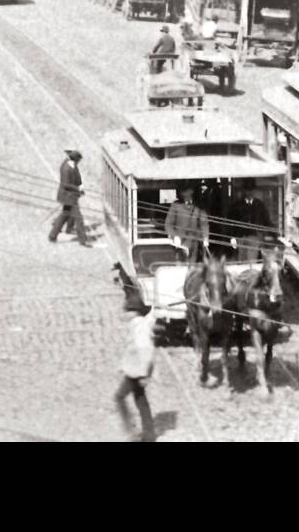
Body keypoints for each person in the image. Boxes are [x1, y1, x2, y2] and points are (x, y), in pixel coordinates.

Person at [114, 293, 156, 442]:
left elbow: (146, 349)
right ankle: (149, 435)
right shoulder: (137, 324)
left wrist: (145, 374)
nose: (125, 314)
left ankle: (131, 431)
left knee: (119, 397)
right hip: (134, 369)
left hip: (136, 371)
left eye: (128, 311)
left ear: (134, 312)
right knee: (141, 400)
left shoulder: (139, 327)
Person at [49, 149, 89, 245]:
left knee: (65, 215)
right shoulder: (66, 168)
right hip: (68, 196)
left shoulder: (71, 164)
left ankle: (53, 235)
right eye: (78, 160)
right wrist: (78, 189)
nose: (78, 162)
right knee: (78, 218)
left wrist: (80, 186)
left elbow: (77, 176)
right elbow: (66, 184)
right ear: (75, 159)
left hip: (71, 195)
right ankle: (83, 240)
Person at [224, 180, 272, 261]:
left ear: (254, 191)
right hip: (240, 238)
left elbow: (266, 221)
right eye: (247, 190)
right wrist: (231, 237)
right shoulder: (237, 206)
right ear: (244, 191)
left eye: (252, 190)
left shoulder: (259, 205)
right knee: (241, 261)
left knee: (251, 262)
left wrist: (274, 234)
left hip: (254, 237)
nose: (250, 192)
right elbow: (230, 222)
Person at [164, 186, 209, 262]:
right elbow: (168, 224)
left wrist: (205, 237)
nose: (185, 193)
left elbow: (204, 223)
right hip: (180, 244)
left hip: (194, 244)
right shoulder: (176, 205)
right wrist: (174, 236)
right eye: (183, 191)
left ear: (192, 192)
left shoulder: (198, 206)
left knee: (193, 267)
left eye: (187, 190)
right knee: (180, 266)